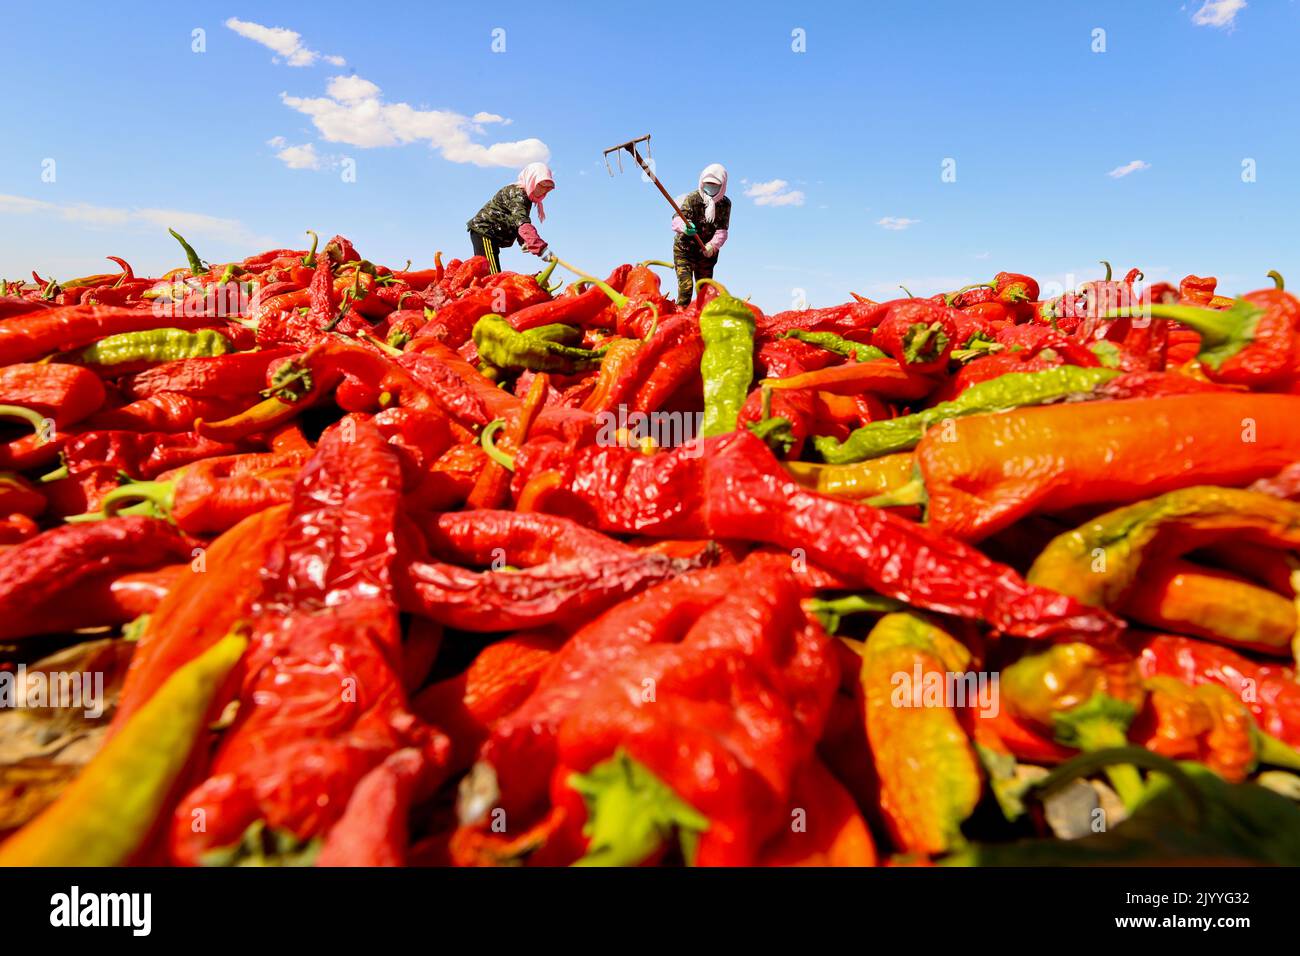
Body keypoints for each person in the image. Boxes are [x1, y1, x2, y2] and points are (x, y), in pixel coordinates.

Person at [467, 162, 554, 273]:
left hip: (491, 234)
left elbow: (516, 220)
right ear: (531, 180)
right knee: (493, 275)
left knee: (487, 273)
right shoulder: (518, 194)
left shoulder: (526, 197)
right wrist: (541, 248)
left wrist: (523, 241)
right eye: (540, 185)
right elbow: (522, 223)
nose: (543, 190)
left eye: (548, 188)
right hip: (485, 231)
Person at [670, 163, 731, 307]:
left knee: (705, 292)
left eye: (715, 184)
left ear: (722, 185)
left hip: (706, 254)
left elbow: (722, 230)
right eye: (707, 183)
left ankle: (700, 322)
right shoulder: (693, 198)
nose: (710, 187)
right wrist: (685, 226)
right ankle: (680, 317)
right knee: (686, 288)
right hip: (685, 250)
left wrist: (712, 246)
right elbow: (677, 218)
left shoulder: (725, 204)